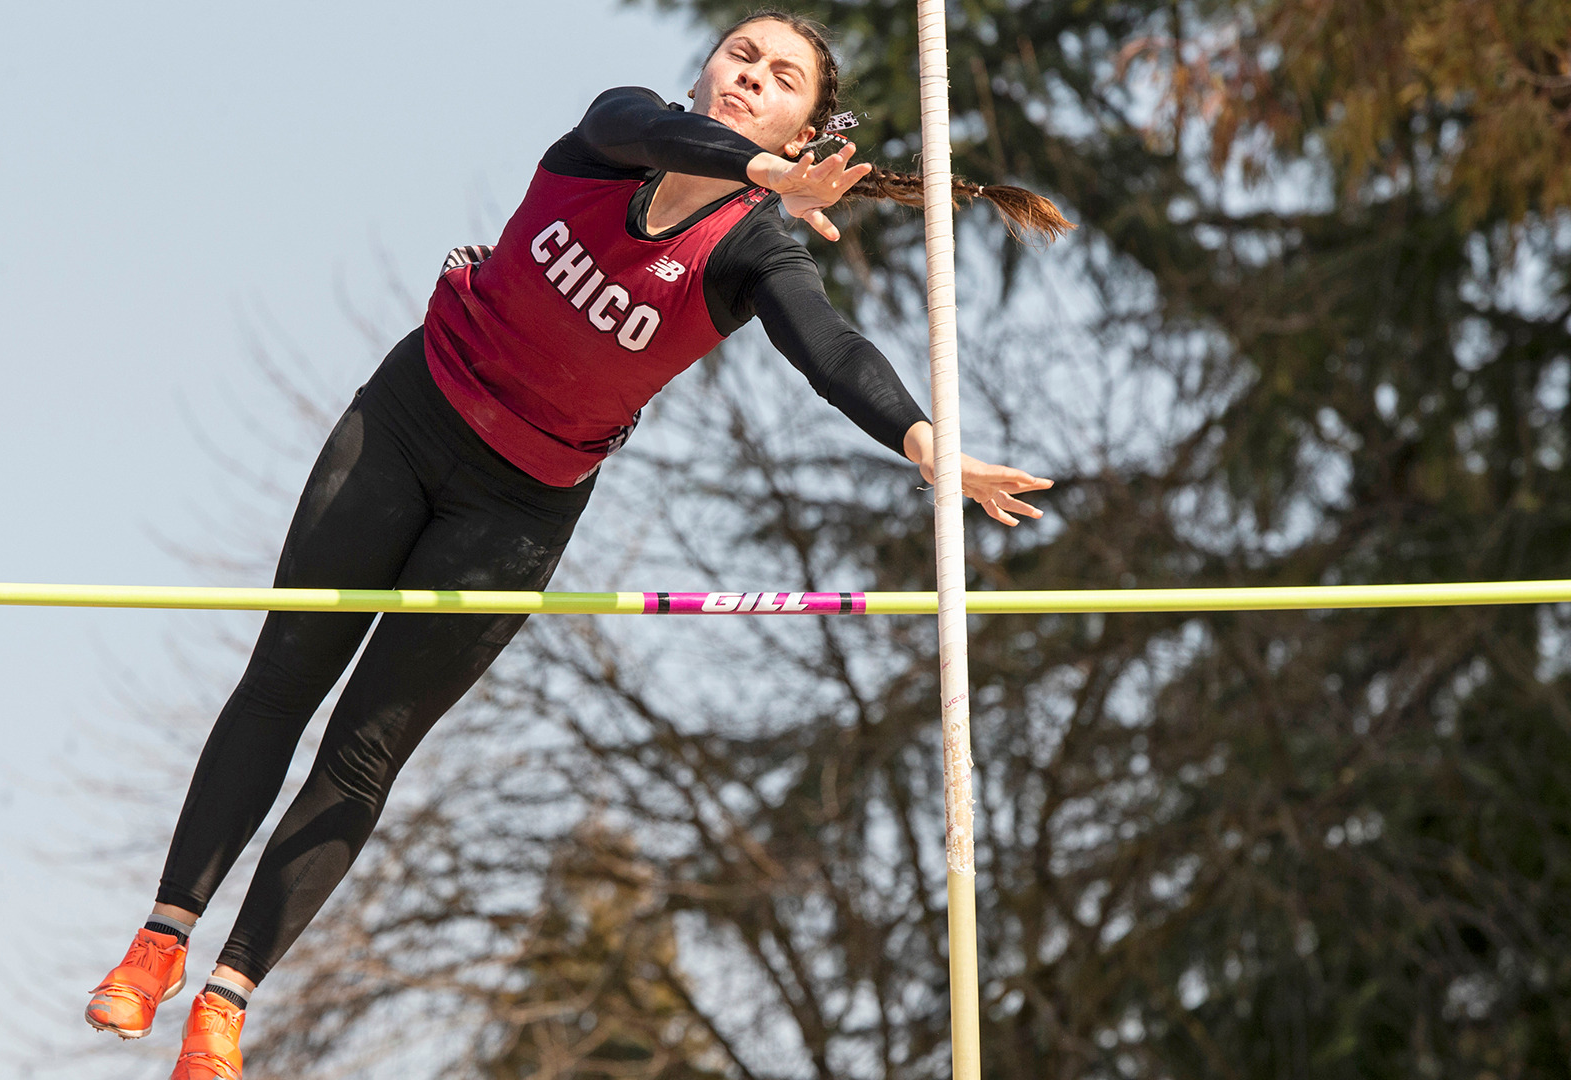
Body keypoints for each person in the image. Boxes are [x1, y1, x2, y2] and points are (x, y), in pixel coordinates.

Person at [85, 11, 1064, 1078]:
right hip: (408, 422)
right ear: (709, 71)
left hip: (518, 508)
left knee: (365, 752)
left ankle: (227, 1001)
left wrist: (926, 444)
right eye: (742, 55)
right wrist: (768, 169)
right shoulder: (616, 131)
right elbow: (671, 137)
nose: (751, 76)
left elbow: (828, 346)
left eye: (782, 77)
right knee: (286, 671)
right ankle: (160, 940)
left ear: (808, 118)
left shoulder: (752, 247)